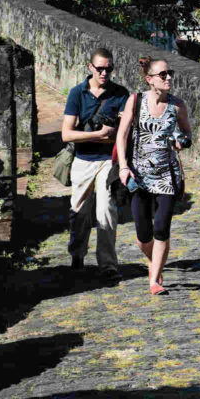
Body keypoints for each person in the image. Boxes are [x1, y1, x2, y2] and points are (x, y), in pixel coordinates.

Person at [116, 57, 192, 295]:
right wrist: (123, 166)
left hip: (167, 176)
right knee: (142, 235)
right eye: (162, 75)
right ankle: (155, 264)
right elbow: (122, 135)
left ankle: (155, 279)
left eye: (169, 73)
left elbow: (188, 135)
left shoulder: (177, 105)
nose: (168, 78)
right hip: (138, 175)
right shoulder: (135, 101)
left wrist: (180, 141)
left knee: (161, 228)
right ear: (149, 80)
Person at [61, 48, 129, 280]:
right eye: (99, 68)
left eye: (108, 69)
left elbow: (126, 131)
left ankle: (108, 264)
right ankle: (77, 254)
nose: (104, 73)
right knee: (79, 212)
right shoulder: (77, 93)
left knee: (106, 210)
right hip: (83, 160)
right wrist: (97, 135)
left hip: (108, 161)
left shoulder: (120, 94)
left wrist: (111, 136)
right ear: (90, 67)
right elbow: (66, 134)